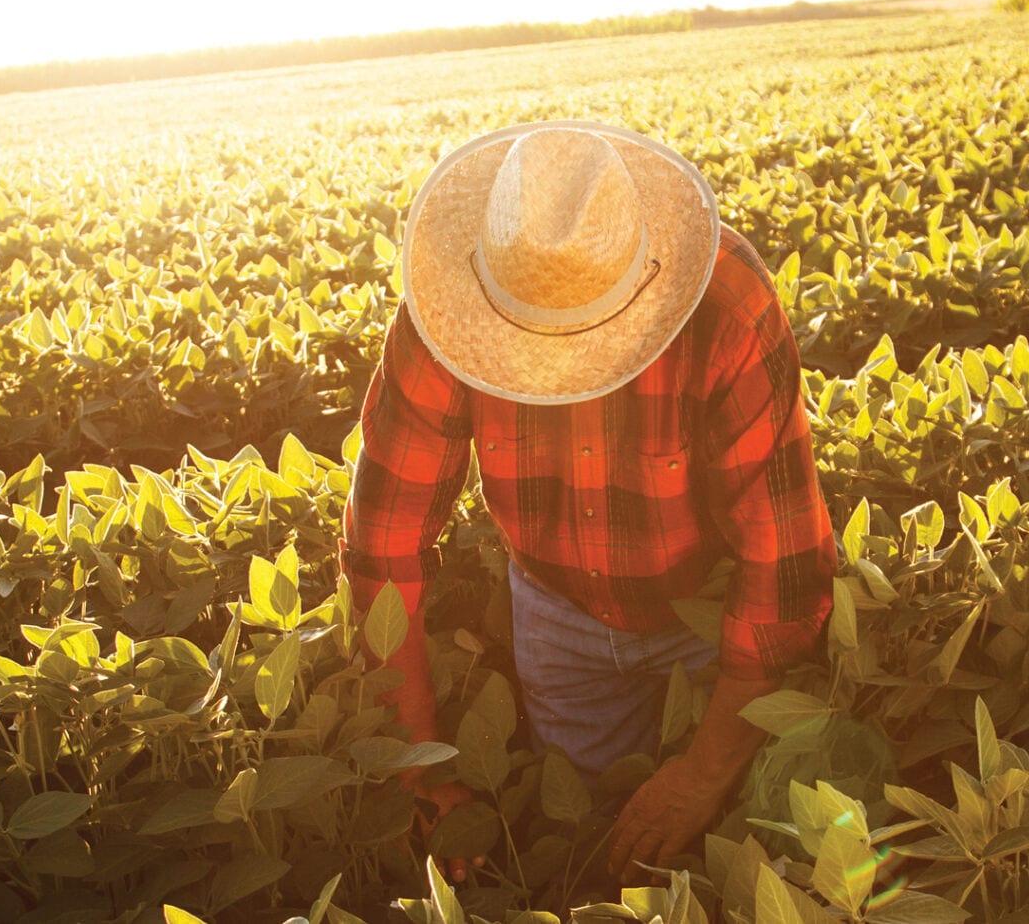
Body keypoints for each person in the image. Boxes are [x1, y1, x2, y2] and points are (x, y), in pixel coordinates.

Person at [338, 119, 836, 885]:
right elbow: (385, 544)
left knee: (734, 839)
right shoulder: (444, 314)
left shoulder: (726, 305)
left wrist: (704, 776)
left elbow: (782, 575)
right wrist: (419, 765)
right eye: (525, 347)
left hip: (709, 609)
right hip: (554, 608)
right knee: (603, 843)